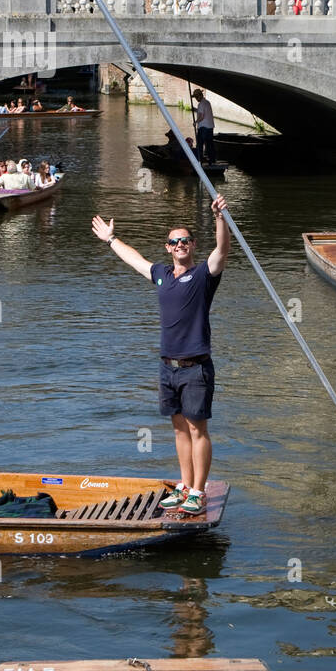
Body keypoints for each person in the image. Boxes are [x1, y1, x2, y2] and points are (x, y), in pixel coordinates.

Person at [91, 194, 232, 517]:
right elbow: (134, 259)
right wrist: (111, 239)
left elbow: (222, 250)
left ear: (192, 245)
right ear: (167, 247)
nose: (180, 245)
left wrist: (220, 218)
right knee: (179, 429)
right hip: (167, 367)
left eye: (185, 241)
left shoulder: (203, 277)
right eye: (174, 241)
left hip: (195, 367)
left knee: (198, 430)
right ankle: (184, 486)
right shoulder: (161, 276)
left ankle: (199, 491)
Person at [191, 88, 216, 165]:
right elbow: (202, 111)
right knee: (209, 144)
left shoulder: (201, 104)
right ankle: (212, 160)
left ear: (199, 96)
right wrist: (195, 110)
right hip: (210, 126)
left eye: (196, 97)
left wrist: (195, 122)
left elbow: (202, 116)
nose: (195, 99)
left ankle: (200, 160)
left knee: (200, 144)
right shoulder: (207, 102)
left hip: (203, 127)